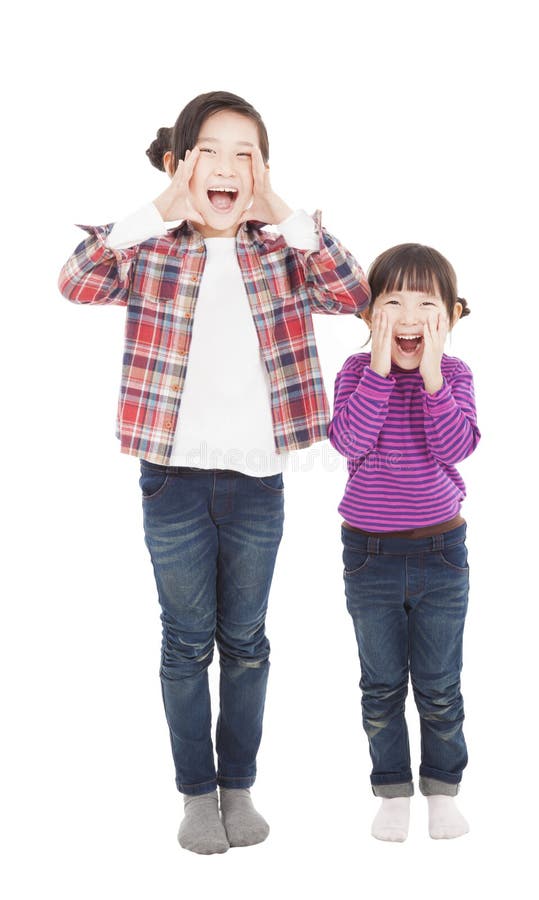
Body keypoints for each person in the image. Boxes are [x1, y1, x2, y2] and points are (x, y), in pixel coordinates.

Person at [58, 90, 370, 855]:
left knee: (249, 641)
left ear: (263, 172)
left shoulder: (281, 253)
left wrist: (284, 209)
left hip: (259, 481)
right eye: (210, 154)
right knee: (184, 642)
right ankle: (197, 794)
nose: (228, 170)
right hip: (172, 480)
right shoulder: (153, 251)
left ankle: (240, 785)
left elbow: (355, 294)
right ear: (179, 164)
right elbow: (74, 280)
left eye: (247, 156)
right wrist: (160, 203)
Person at [328, 243, 480, 842]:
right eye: (392, 302)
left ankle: (442, 789)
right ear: (369, 316)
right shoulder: (354, 374)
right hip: (369, 555)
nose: (409, 316)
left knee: (440, 685)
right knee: (382, 683)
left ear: (449, 316)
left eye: (426, 303)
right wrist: (381, 369)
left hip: (442, 553)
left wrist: (436, 372)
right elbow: (349, 441)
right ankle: (391, 789)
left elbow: (455, 448)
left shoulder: (458, 376)